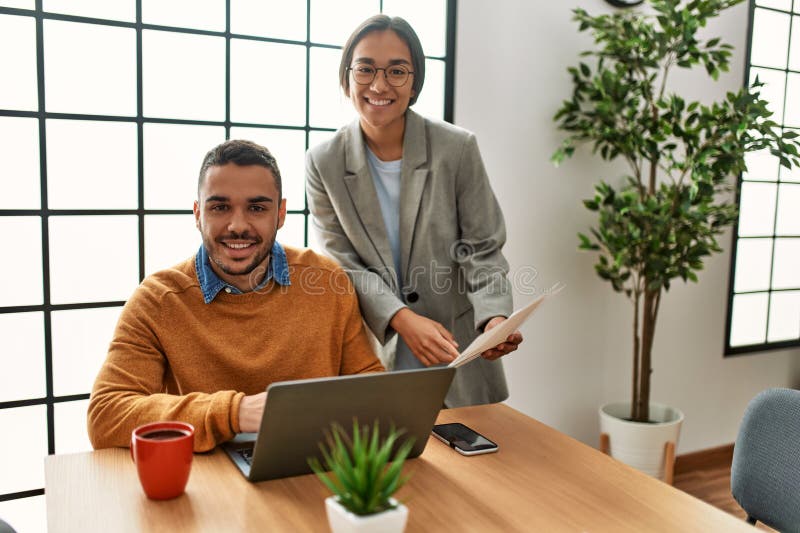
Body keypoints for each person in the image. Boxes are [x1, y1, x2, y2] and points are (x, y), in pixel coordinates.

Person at [88, 140, 384, 452]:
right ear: (198, 213)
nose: (238, 226)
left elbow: (370, 387)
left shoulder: (326, 281)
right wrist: (235, 414)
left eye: (257, 208)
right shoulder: (158, 300)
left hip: (311, 473)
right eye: (220, 207)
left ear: (280, 213)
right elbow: (106, 415)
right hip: (210, 483)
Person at [306, 15, 522, 408]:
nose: (379, 84)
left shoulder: (456, 149)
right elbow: (341, 263)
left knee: (476, 467)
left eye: (397, 71)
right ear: (347, 77)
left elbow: (482, 248)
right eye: (366, 68)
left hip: (458, 351)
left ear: (415, 82)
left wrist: (494, 318)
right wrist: (403, 319)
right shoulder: (323, 161)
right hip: (377, 350)